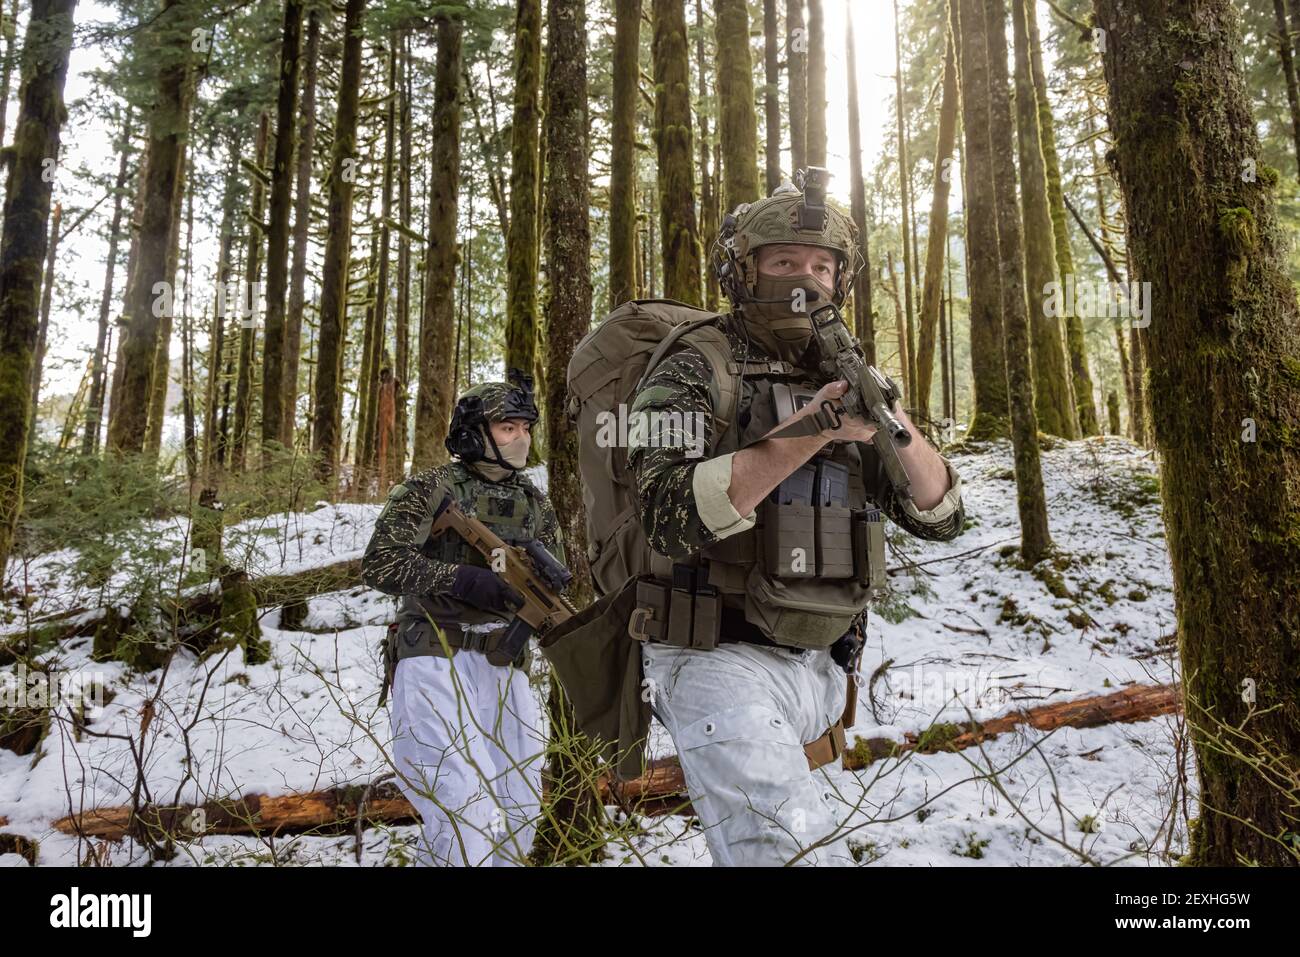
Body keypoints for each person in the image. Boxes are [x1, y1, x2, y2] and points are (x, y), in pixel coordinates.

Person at [625, 173, 966, 866]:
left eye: (821, 266)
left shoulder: (842, 372)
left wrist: (886, 419)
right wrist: (813, 431)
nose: (805, 280)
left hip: (820, 670)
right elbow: (665, 513)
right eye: (784, 263)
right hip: (715, 659)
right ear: (744, 271)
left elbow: (941, 515)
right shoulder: (697, 366)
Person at [361, 371, 562, 867]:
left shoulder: (535, 503)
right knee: (458, 799)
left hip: (502, 658)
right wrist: (460, 578)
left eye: (526, 427)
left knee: (519, 806)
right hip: (434, 651)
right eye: (507, 428)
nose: (521, 438)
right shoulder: (430, 489)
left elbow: (550, 574)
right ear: (475, 433)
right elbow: (380, 563)